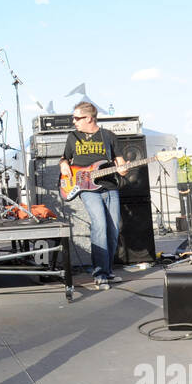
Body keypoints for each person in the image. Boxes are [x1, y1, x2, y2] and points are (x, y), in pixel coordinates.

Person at [59, 101, 127, 288]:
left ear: (89, 118)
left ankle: (108, 270)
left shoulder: (108, 136)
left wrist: (123, 169)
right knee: (100, 225)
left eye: (77, 118)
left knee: (113, 231)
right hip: (86, 188)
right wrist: (63, 164)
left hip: (109, 186)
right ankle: (100, 273)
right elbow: (65, 158)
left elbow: (120, 163)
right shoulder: (73, 137)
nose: (74, 121)